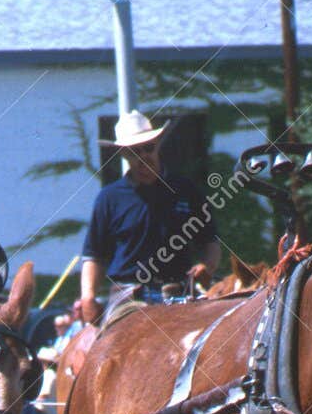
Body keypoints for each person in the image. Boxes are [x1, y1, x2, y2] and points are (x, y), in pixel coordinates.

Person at [79, 110, 219, 325]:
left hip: (179, 291)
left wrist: (207, 267)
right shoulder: (109, 198)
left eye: (148, 148)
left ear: (158, 145)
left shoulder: (186, 190)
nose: (143, 156)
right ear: (124, 155)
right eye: (134, 151)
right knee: (111, 348)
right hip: (127, 295)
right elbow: (94, 255)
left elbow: (210, 241)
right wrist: (88, 296)